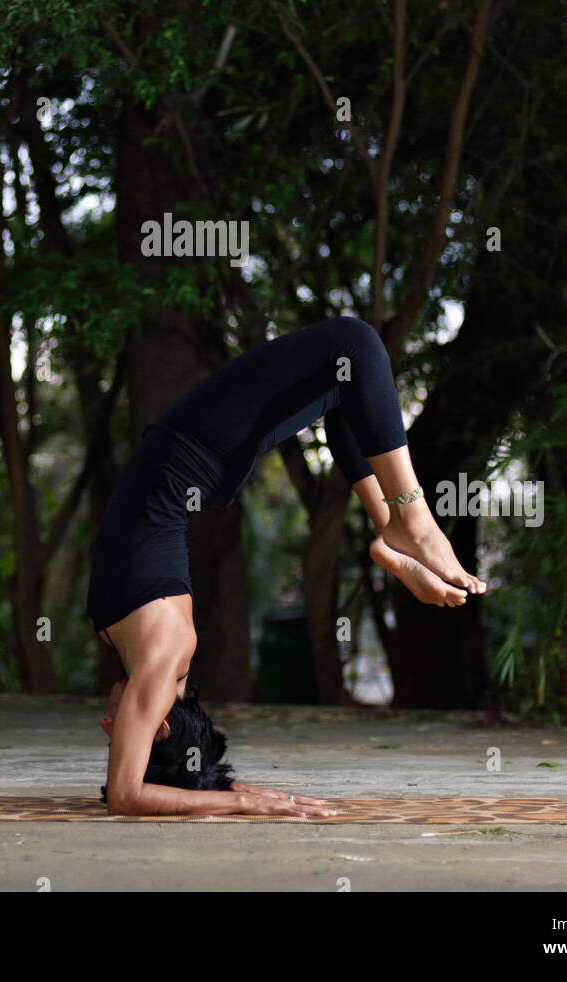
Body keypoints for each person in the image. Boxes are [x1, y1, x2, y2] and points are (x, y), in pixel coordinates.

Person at [87, 316, 485, 818]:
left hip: (195, 456)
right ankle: (412, 521)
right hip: (195, 449)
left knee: (348, 384)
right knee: (354, 345)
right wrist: (238, 802)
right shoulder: (162, 658)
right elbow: (126, 796)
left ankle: (392, 537)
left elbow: (151, 769)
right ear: (157, 724)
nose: (107, 725)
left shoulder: (152, 660)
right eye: (120, 730)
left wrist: (223, 789)